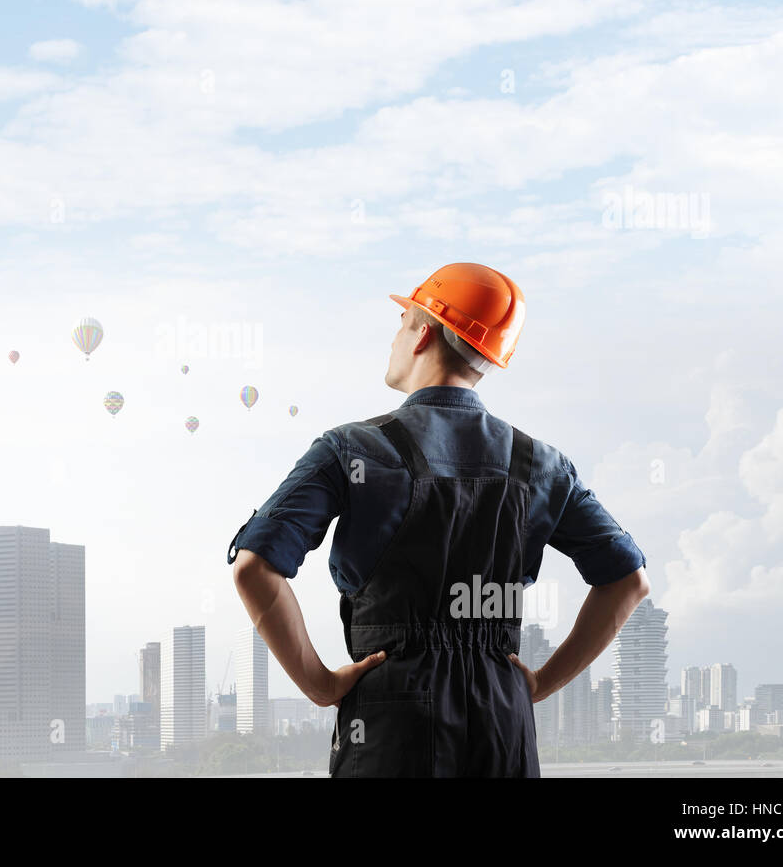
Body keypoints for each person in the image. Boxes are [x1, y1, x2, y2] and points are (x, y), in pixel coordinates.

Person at [228, 262, 649, 777]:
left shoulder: (352, 448)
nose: (393, 341)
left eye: (401, 323)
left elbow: (253, 567)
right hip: (503, 720)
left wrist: (320, 685)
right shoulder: (542, 464)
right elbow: (628, 580)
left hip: (391, 719)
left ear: (422, 332)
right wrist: (538, 682)